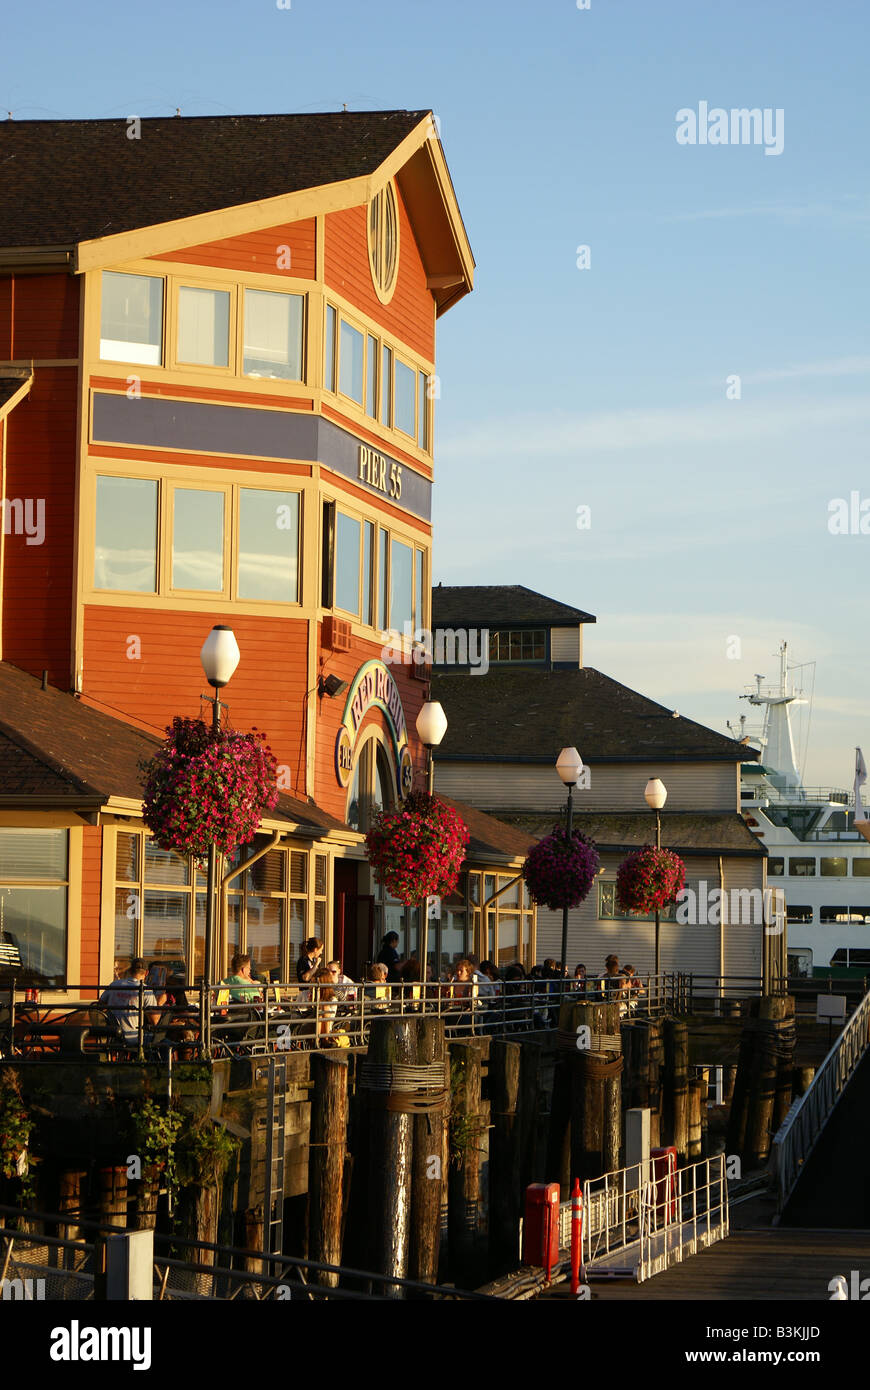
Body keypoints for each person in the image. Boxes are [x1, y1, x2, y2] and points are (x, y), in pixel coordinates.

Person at [98, 958, 165, 1042]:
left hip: (112, 1036)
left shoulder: (114, 984)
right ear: (147, 973)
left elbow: (99, 1006)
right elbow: (155, 1021)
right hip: (134, 1037)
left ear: (130, 971)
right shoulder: (146, 990)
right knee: (164, 1042)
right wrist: (160, 1004)